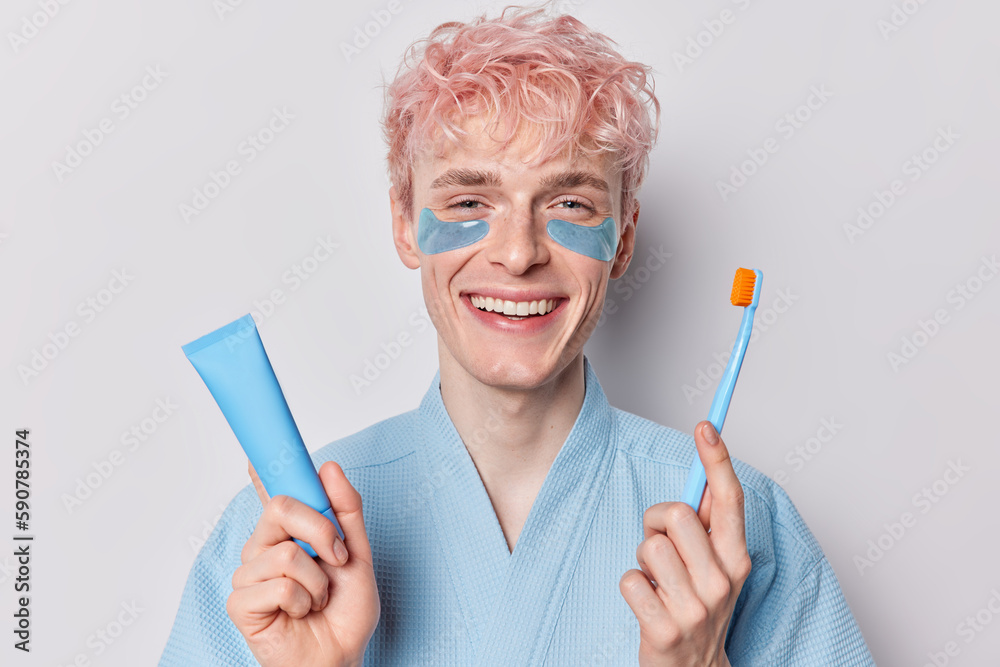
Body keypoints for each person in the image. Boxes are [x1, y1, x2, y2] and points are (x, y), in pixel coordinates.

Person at [160, 4, 875, 665]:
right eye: (470, 201)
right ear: (405, 223)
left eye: (569, 201)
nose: (517, 251)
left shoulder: (738, 532)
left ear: (622, 238)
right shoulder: (282, 548)